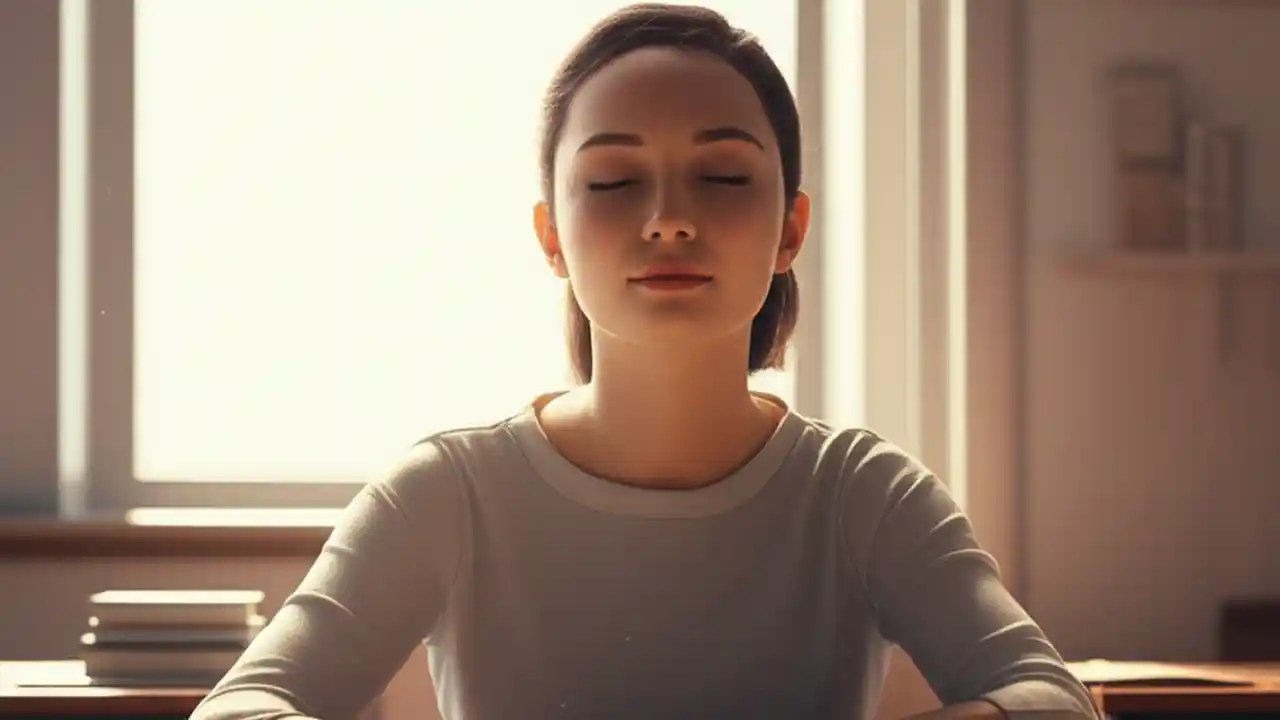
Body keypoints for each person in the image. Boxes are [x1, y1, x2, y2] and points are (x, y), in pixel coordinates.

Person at [189, 4, 1099, 719]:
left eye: (723, 177)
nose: (668, 219)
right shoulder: (447, 494)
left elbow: (1051, 697)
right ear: (551, 236)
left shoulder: (865, 495)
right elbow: (244, 704)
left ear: (791, 229)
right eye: (615, 182)